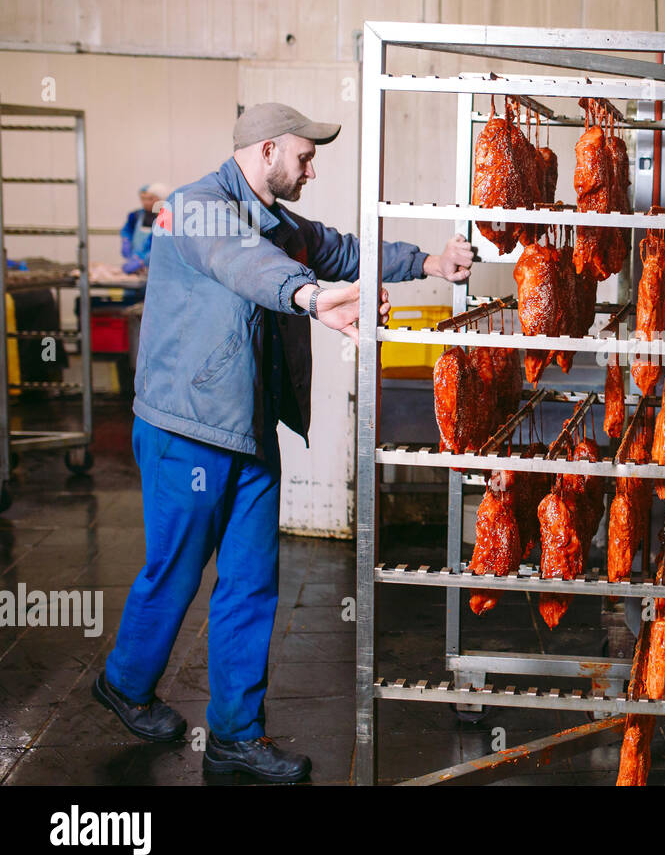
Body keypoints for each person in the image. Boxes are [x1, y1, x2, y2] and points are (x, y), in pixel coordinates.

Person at [92, 102, 474, 783]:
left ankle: (237, 734)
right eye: (304, 156)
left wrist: (430, 263)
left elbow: (345, 250)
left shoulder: (282, 223)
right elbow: (244, 265)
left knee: (252, 581)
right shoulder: (194, 209)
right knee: (176, 571)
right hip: (188, 429)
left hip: (249, 426)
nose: (312, 167)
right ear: (266, 150)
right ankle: (125, 683)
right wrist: (309, 296)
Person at [119, 182, 168, 274]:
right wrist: (136, 255)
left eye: (150, 199)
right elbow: (148, 241)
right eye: (143, 199)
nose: (146, 202)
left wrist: (144, 260)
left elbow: (163, 246)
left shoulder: (167, 220)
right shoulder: (136, 215)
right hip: (142, 267)